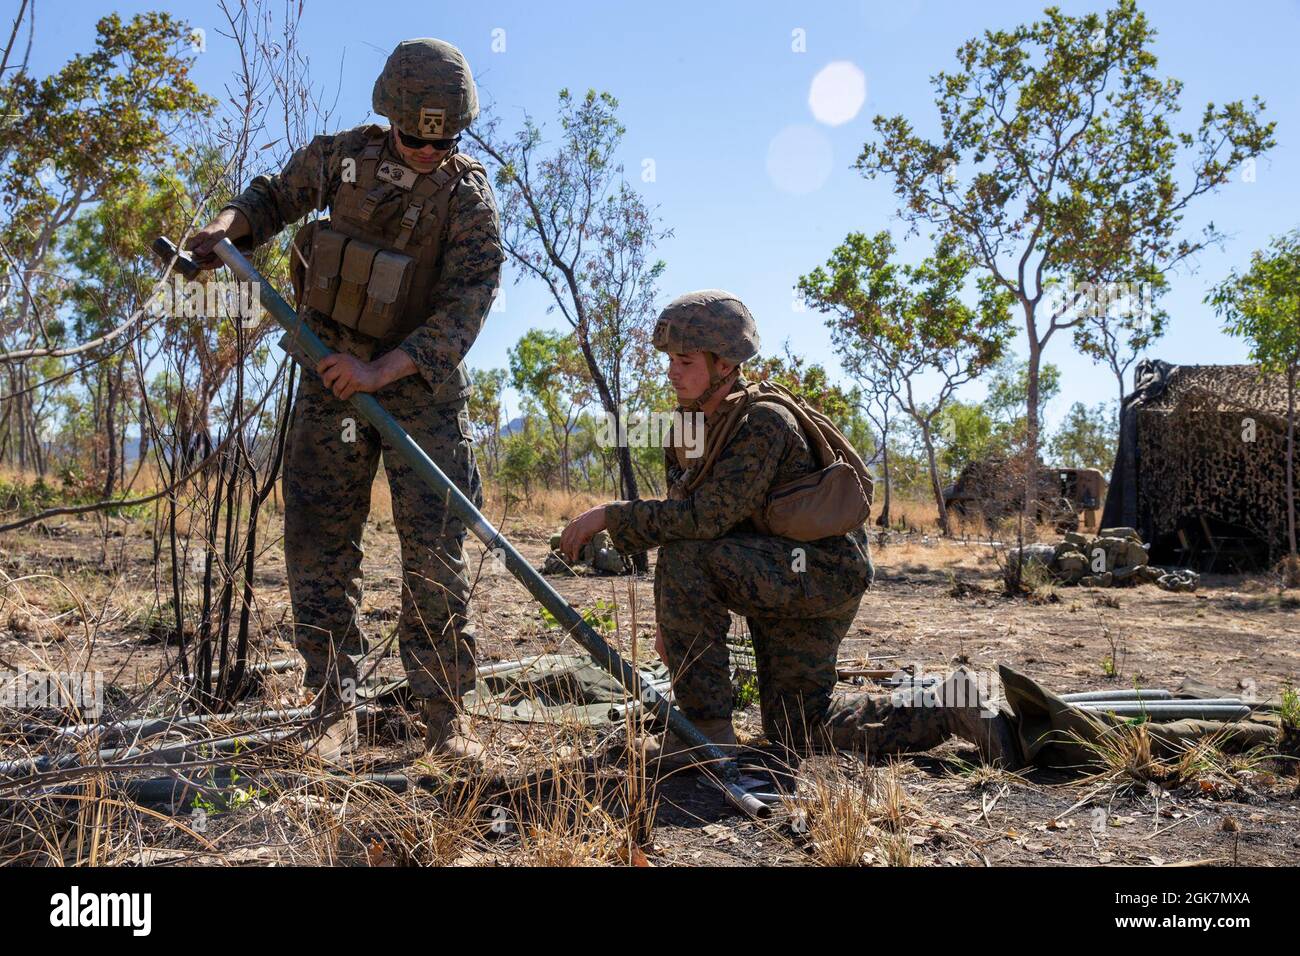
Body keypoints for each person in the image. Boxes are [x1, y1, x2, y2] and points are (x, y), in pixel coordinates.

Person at [187, 38, 504, 764]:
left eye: (444, 139)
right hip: (330, 379)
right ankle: (331, 706)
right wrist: (228, 228)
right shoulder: (345, 157)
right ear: (389, 116)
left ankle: (445, 718)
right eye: (414, 136)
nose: (428, 150)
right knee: (322, 542)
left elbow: (465, 309)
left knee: (435, 553)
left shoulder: (468, 199)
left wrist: (382, 370)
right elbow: (273, 196)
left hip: (418, 391)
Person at [560, 290, 1020, 769]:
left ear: (724, 364)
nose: (672, 372)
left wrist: (611, 515)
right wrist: (673, 627)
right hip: (776, 572)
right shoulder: (690, 426)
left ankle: (707, 735)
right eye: (669, 360)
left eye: (685, 360)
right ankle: (948, 703)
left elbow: (704, 520)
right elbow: (688, 516)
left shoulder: (762, 422)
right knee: (799, 731)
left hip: (817, 574)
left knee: (685, 554)